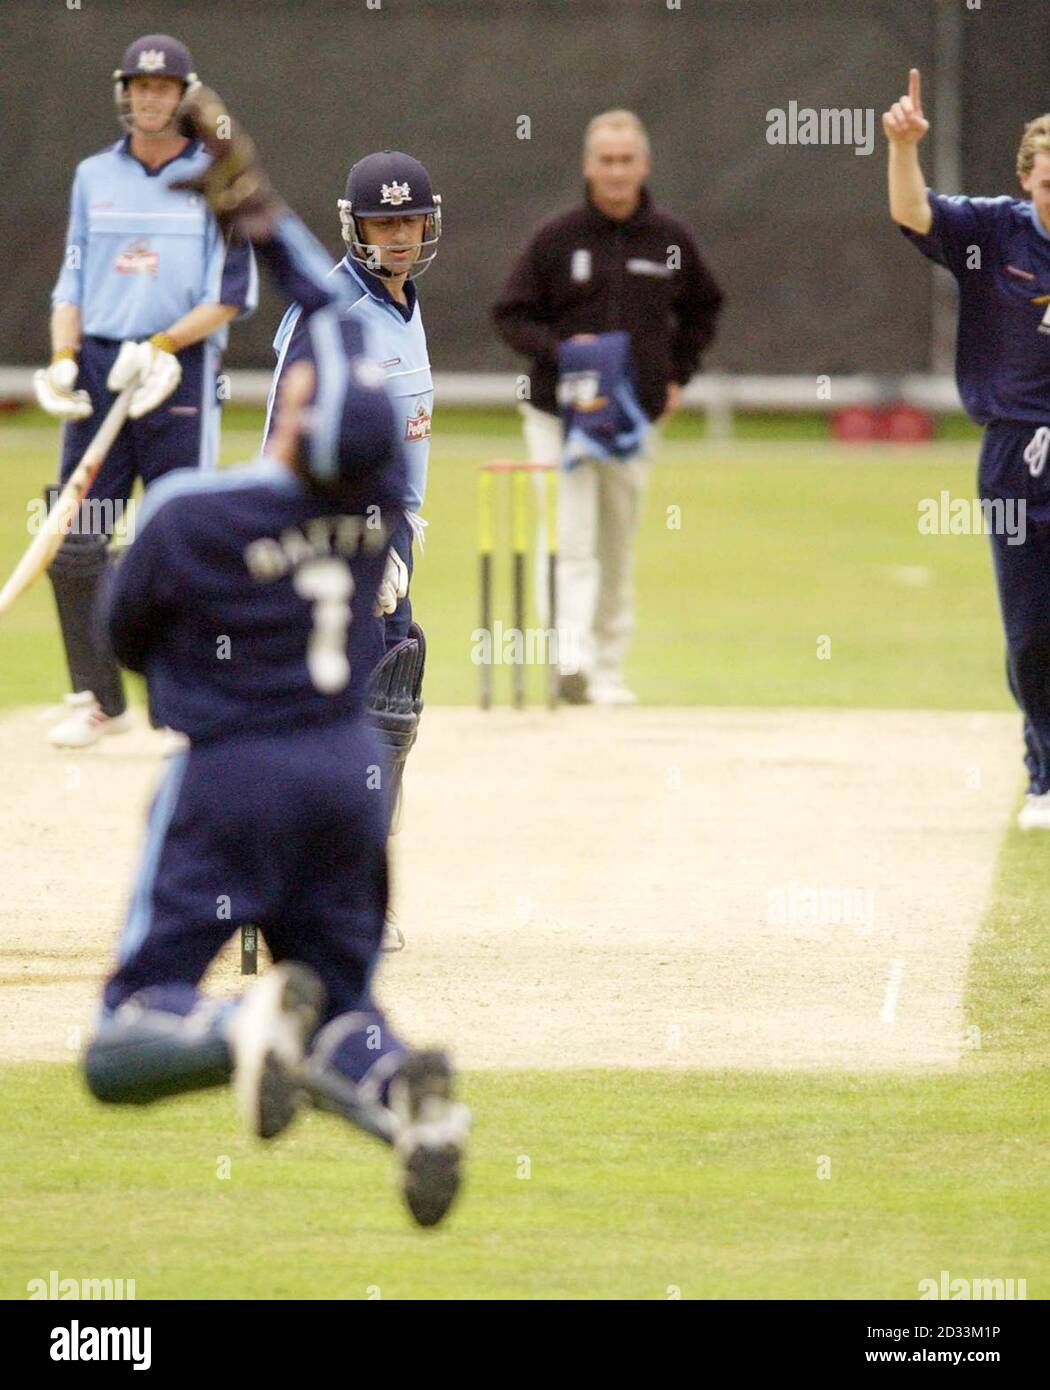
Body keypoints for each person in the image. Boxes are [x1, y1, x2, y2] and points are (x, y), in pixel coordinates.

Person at [80, 89, 469, 1227]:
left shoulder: (193, 514)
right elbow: (325, 308)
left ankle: (236, 1025)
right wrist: (256, 203)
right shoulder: (377, 500)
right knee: (346, 1000)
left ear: (293, 412)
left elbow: (120, 639)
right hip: (343, 777)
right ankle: (406, 1096)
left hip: (232, 776)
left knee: (123, 1034)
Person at [34, 33, 256, 750]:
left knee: (177, 543)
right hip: (101, 369)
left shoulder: (213, 175)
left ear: (184, 95)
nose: (151, 98)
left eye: (165, 87)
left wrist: (160, 349)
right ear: (126, 93)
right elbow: (72, 281)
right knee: (76, 540)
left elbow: (231, 294)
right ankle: (99, 699)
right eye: (141, 86)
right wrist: (65, 360)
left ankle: (183, 708)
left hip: (176, 373)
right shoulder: (93, 176)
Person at [493, 109, 723, 705]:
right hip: (557, 415)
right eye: (606, 160)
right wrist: (564, 354)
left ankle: (609, 669)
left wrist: (677, 375)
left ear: (643, 165)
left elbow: (705, 307)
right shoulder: (556, 237)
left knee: (616, 543)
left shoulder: (669, 240)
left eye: (627, 160)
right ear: (587, 165)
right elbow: (511, 315)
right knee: (570, 535)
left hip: (633, 417)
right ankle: (570, 658)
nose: (616, 172)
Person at [886, 70, 1050, 830]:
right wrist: (903, 147)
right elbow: (912, 213)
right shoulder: (994, 231)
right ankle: (1045, 773)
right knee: (1031, 628)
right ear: (1026, 179)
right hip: (1018, 452)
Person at [265, 150, 440, 653]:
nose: (401, 237)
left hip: (394, 526)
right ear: (356, 227)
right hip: (340, 530)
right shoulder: (329, 311)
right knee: (349, 697)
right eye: (384, 224)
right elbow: (281, 440)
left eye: (410, 221)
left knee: (394, 706)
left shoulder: (407, 301)